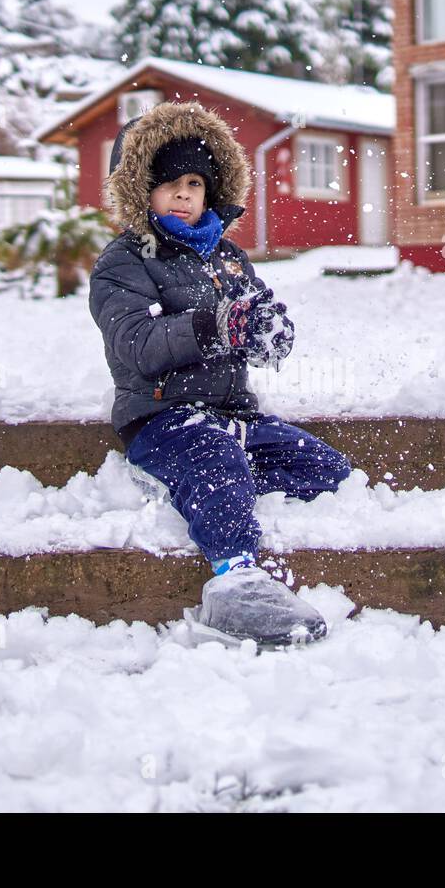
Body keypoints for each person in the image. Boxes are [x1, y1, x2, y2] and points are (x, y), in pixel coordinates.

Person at [89, 100, 352, 645]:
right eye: (168, 183)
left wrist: (268, 332)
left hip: (231, 415)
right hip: (162, 416)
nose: (184, 194)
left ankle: (199, 488)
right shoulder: (124, 261)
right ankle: (237, 582)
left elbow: (255, 314)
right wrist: (214, 327)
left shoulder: (228, 258)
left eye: (194, 182)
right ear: (140, 190)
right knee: (214, 459)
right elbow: (135, 343)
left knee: (324, 469)